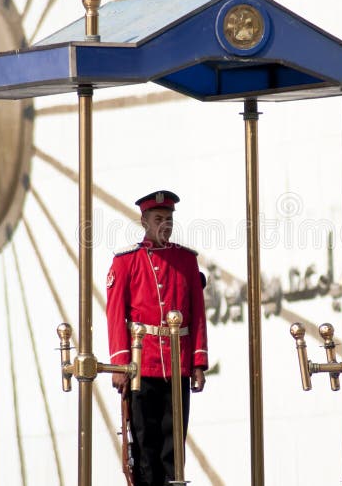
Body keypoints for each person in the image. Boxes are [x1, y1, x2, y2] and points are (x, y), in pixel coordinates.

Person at [106, 190, 209, 486]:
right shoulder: (126, 261)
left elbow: (197, 315)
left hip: (177, 366)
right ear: (144, 221)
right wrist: (120, 364)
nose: (165, 224)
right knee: (144, 444)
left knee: (173, 445)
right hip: (141, 367)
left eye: (169, 219)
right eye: (159, 219)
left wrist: (198, 362)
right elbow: (115, 315)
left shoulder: (186, 261)